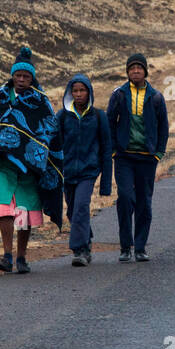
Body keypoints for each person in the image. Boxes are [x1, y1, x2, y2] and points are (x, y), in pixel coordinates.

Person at [0, 46, 63, 274]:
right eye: (18, 75)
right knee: (4, 209)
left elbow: (50, 130)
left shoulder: (40, 101)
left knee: (25, 211)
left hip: (29, 167)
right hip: (3, 165)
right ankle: (6, 255)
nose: (21, 79)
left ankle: (21, 257)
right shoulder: (1, 95)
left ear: (32, 77)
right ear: (12, 75)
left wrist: (36, 153)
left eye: (26, 76)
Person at [106, 54, 169, 263]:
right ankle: (125, 247)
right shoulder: (119, 94)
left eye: (139, 68)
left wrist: (158, 152)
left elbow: (163, 127)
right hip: (124, 157)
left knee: (144, 202)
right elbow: (109, 123)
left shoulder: (156, 97)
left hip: (147, 158)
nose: (135, 71)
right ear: (127, 72)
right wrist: (114, 150)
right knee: (124, 198)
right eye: (131, 68)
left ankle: (140, 247)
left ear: (145, 71)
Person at [58, 73, 112, 267]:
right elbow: (54, 144)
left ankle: (79, 250)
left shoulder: (99, 116)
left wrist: (105, 182)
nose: (79, 94)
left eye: (82, 90)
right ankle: (86, 241)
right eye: (75, 90)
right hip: (67, 171)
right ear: (70, 93)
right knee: (72, 212)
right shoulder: (63, 115)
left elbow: (107, 149)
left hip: (89, 171)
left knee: (81, 207)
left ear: (89, 93)